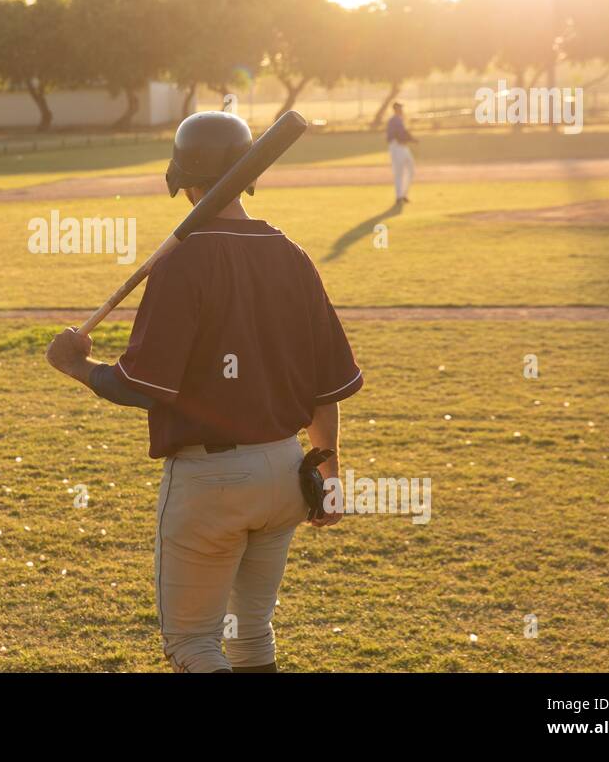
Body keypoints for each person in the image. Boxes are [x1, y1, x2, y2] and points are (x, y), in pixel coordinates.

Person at [45, 111, 363, 673]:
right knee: (251, 635)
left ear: (181, 177)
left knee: (193, 644)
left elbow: (142, 385)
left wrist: (78, 365)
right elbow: (327, 386)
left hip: (211, 482)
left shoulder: (182, 262)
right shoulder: (291, 255)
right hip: (288, 471)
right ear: (248, 175)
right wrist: (330, 475)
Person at [385, 101, 416, 204]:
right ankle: (399, 197)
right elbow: (399, 135)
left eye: (402, 108)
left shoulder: (400, 120)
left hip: (403, 147)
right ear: (396, 109)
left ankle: (403, 194)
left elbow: (403, 134)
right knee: (399, 172)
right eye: (400, 108)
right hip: (396, 147)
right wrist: (411, 138)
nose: (402, 110)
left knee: (411, 170)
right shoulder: (394, 120)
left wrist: (411, 138)